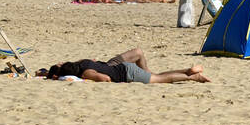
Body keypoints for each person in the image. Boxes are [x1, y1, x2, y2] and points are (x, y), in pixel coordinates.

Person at [37, 48, 210, 84]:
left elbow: (105, 79)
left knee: (160, 79)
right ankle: (187, 71)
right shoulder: (81, 63)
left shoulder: (86, 72)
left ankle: (191, 76)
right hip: (115, 65)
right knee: (141, 56)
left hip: (125, 73)